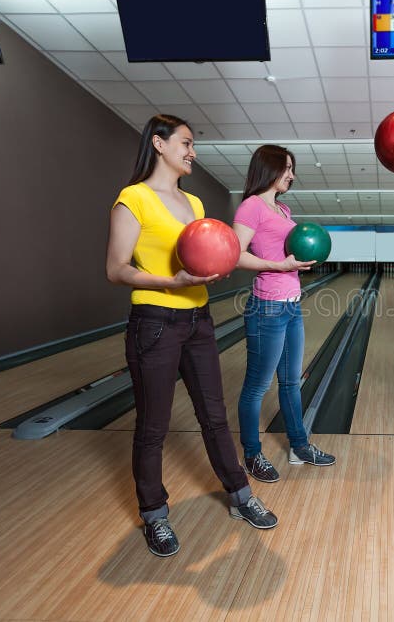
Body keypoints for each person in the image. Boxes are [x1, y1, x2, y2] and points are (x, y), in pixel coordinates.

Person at [106, 114, 278, 558]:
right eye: (185, 143)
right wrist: (172, 282)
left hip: (199, 320)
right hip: (154, 323)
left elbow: (201, 256)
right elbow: (116, 268)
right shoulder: (134, 198)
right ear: (158, 144)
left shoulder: (196, 203)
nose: (192, 152)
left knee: (214, 416)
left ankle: (240, 495)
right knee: (153, 427)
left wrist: (213, 269)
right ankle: (155, 515)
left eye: (192, 144)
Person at [233, 144, 336, 484]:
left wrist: (296, 265)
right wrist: (279, 266)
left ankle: (299, 445)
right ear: (269, 168)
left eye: (292, 169)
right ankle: (252, 454)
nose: (292, 175)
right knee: (257, 387)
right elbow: (235, 254)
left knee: (292, 381)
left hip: (291, 306)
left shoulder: (283, 209)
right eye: (287, 168)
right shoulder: (251, 206)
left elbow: (287, 254)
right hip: (267, 308)